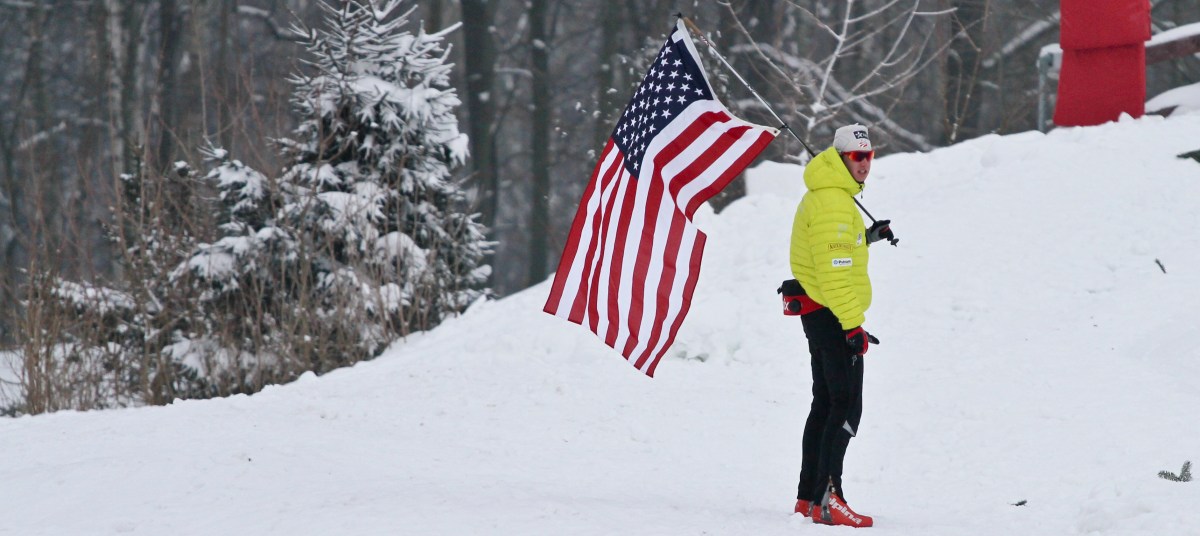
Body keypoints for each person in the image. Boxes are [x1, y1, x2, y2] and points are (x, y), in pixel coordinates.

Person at [788, 124, 893, 528]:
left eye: (868, 155)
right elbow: (834, 272)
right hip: (832, 314)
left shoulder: (830, 196)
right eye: (856, 156)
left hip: (819, 311)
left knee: (826, 403)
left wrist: (866, 237)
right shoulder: (834, 201)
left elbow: (830, 251)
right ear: (841, 157)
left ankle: (809, 498)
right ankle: (829, 499)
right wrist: (853, 326)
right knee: (846, 404)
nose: (864, 163)